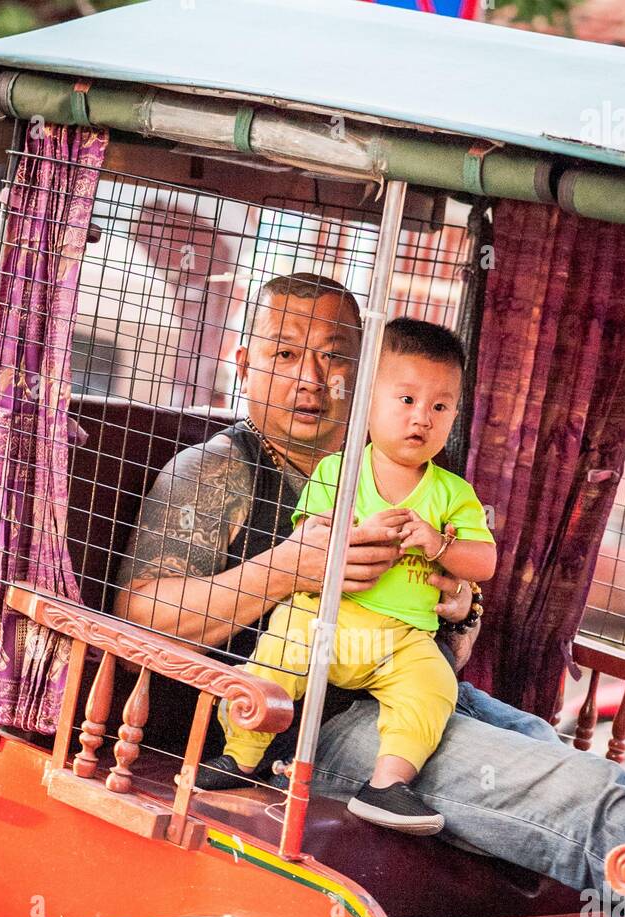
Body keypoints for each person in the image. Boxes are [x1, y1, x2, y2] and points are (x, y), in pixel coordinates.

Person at [115, 271, 625, 917]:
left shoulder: (398, 470)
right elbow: (143, 611)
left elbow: (455, 628)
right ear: (243, 362)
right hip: (303, 721)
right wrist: (290, 568)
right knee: (587, 795)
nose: (311, 379)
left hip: (417, 694)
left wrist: (458, 604)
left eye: (336, 357)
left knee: (561, 759)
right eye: (283, 354)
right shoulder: (217, 472)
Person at [199, 318, 496, 834]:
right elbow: (312, 540)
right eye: (405, 400)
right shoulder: (338, 472)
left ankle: (387, 784)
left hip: (402, 638)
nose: (421, 418)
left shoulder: (454, 494)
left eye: (440, 407)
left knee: (433, 686)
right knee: (275, 655)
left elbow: (483, 563)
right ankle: (240, 755)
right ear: (367, 401)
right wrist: (365, 531)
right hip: (325, 620)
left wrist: (441, 544)